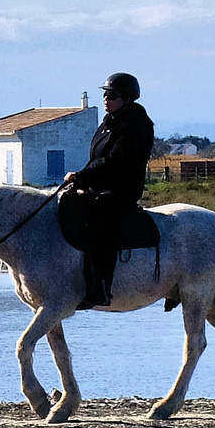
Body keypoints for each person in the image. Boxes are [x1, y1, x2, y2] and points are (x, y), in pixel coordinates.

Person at [61, 72, 155, 308]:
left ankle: (101, 286)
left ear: (127, 99)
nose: (105, 99)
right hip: (100, 185)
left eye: (111, 95)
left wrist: (82, 176)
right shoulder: (107, 123)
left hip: (122, 188)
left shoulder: (136, 125)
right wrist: (80, 182)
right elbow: (96, 159)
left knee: (102, 217)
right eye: (104, 94)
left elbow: (115, 160)